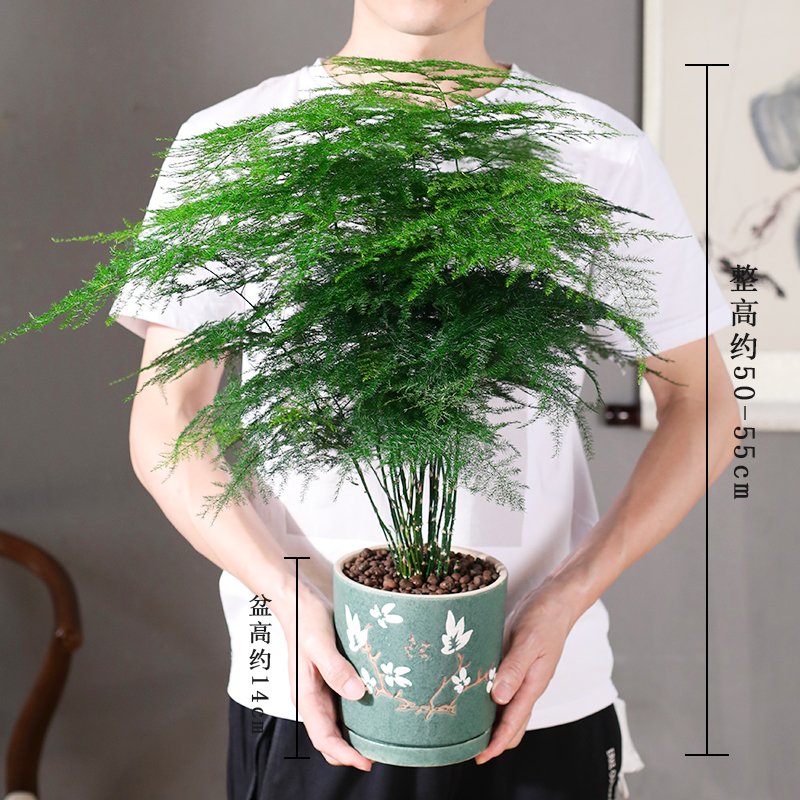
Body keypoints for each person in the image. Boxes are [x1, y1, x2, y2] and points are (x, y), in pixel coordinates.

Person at [111, 1, 741, 798]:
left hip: (534, 681)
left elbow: (704, 403)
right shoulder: (237, 142)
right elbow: (167, 419)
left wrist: (569, 594)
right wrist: (290, 598)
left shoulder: (595, 147)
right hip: (308, 682)